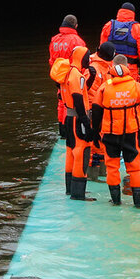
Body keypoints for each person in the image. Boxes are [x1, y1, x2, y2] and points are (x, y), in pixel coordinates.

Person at [91, 55, 140, 207]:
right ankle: (138, 203)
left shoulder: (104, 88)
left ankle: (116, 201)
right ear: (127, 71)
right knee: (134, 168)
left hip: (110, 134)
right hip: (131, 134)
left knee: (112, 167)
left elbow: (96, 111)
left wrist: (95, 133)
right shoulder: (136, 86)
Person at [51, 45, 94, 200]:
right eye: (87, 57)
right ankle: (78, 193)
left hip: (69, 117)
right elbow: (78, 98)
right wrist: (85, 122)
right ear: (81, 58)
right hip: (77, 118)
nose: (89, 59)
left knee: (70, 151)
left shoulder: (68, 74)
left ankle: (70, 189)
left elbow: (65, 97)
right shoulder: (76, 75)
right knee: (81, 152)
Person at [49, 14, 87, 132]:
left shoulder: (54, 39)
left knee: (61, 102)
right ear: (75, 26)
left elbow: (51, 60)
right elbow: (82, 61)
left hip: (58, 77)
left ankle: (62, 127)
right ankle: (70, 129)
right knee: (70, 104)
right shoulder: (77, 41)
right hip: (71, 76)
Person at [98, 2, 140, 83]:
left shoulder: (108, 26)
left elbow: (102, 48)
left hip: (112, 68)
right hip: (130, 70)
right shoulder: (138, 28)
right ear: (133, 13)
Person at [86, 42, 115, 181]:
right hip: (96, 111)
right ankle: (93, 174)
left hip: (102, 111)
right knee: (95, 144)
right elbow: (91, 94)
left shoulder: (104, 67)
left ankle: (101, 172)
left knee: (102, 143)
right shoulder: (95, 69)